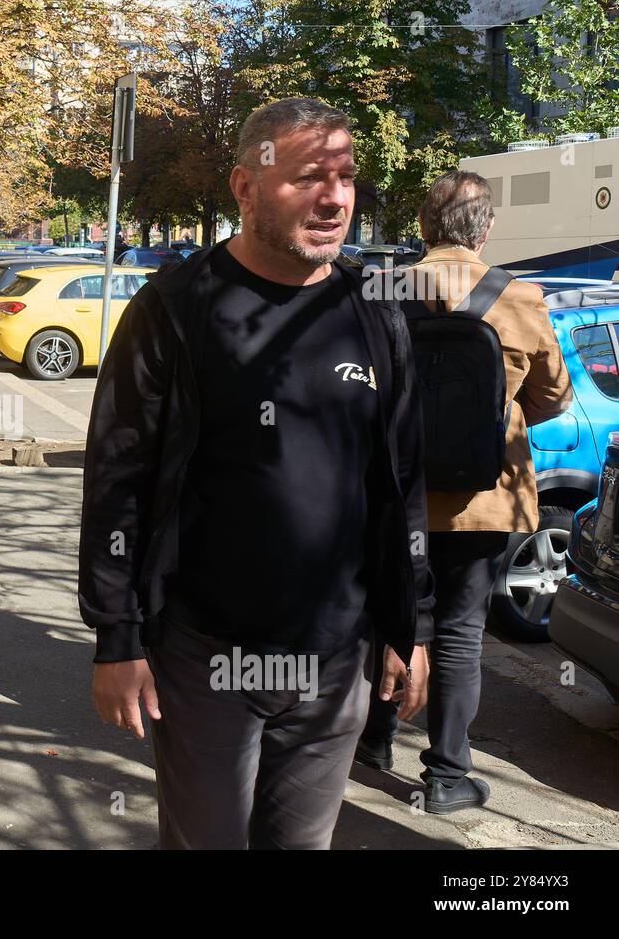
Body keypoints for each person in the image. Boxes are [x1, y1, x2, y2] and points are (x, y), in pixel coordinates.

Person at [79, 97, 435, 849]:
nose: (336, 198)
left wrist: (411, 625)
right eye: (310, 177)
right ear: (246, 188)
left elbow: (400, 479)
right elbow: (118, 478)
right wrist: (118, 637)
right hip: (205, 654)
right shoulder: (176, 306)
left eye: (345, 176)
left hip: (336, 661)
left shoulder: (375, 305)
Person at [355, 170, 572, 813]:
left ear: (423, 226)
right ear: (486, 230)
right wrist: (490, 417)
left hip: (395, 494)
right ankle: (448, 774)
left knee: (390, 617)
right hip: (484, 499)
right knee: (458, 633)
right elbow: (553, 397)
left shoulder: (383, 288)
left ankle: (374, 738)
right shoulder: (520, 296)